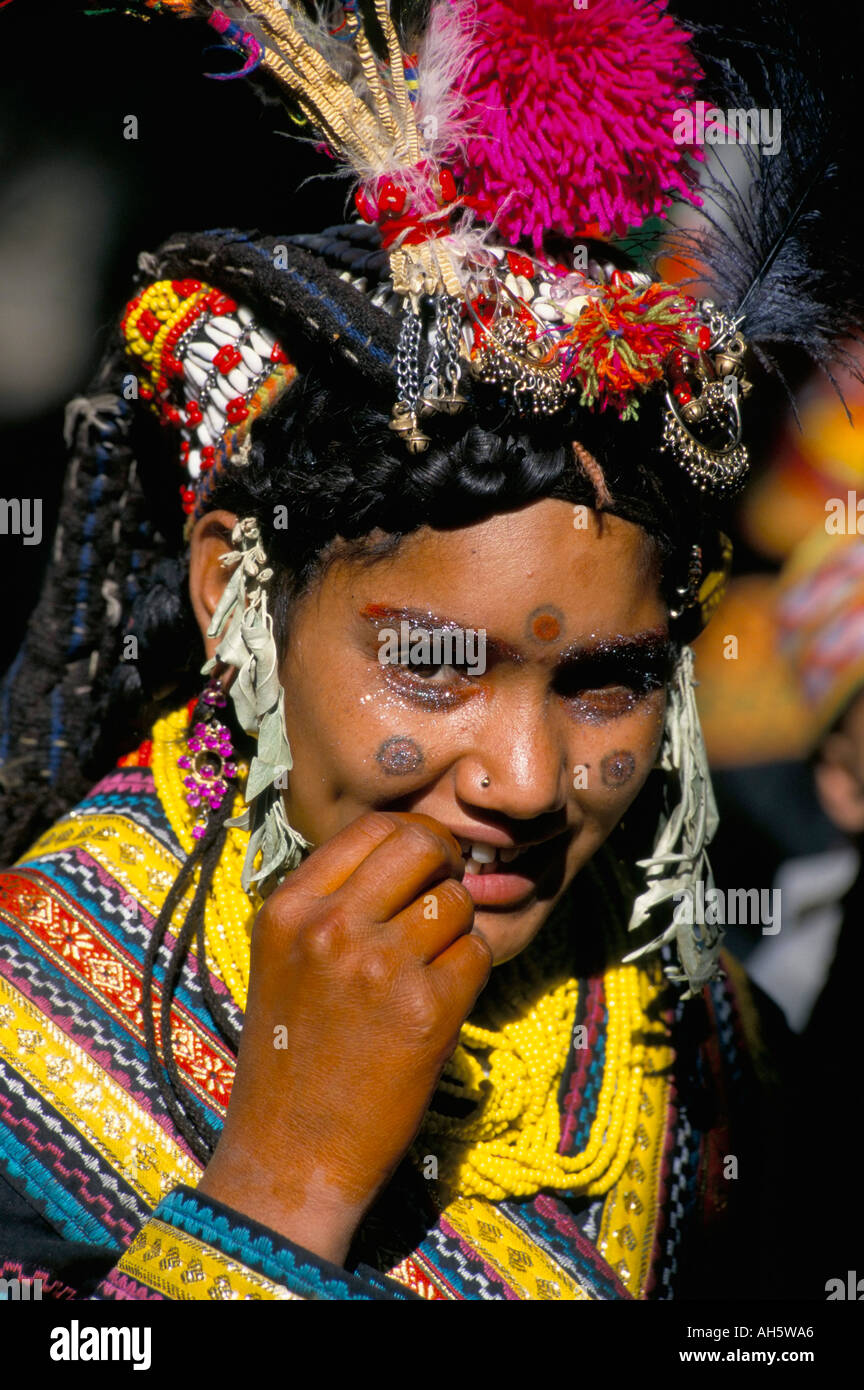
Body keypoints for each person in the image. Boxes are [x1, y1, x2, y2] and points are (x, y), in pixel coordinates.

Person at [0, 0, 852, 1301]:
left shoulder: (687, 1028)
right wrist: (279, 1190)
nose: (522, 778)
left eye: (606, 678)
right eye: (437, 666)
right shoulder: (29, 1017)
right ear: (239, 589)